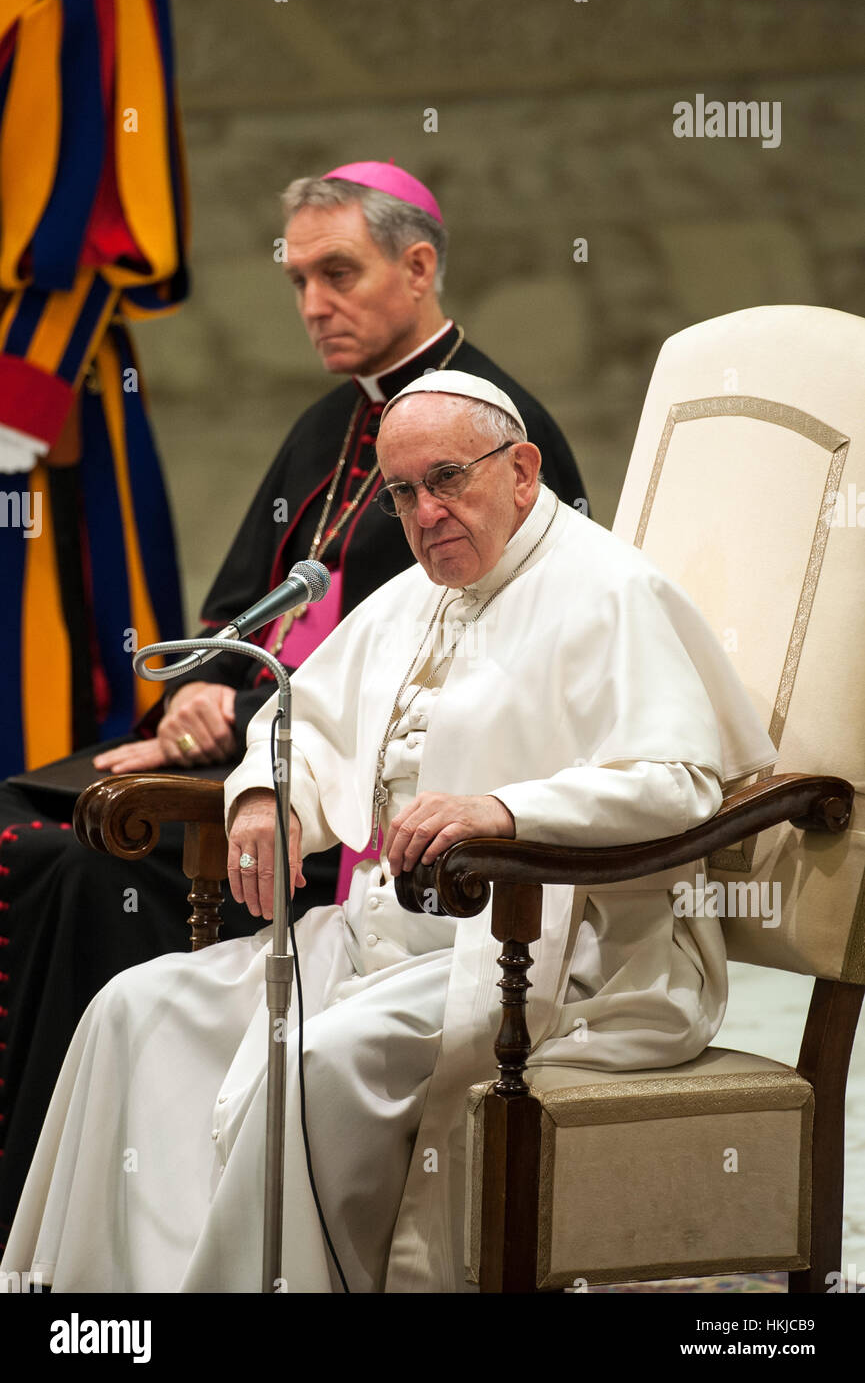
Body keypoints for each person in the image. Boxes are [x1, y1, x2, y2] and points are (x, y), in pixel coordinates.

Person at [1, 372, 775, 1294]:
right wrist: (267, 797)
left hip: (559, 955)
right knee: (135, 1008)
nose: (424, 513)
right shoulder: (415, 593)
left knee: (321, 1061)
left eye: (446, 478)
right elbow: (302, 722)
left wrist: (504, 811)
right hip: (388, 939)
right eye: (402, 493)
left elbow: (677, 783)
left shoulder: (612, 591)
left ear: (522, 470)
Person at [0, 160, 587, 1248]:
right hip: (253, 747)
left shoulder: (493, 433)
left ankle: (118, 1194)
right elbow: (239, 609)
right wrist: (200, 693)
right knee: (18, 820)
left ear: (419, 267)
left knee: (72, 864)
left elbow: (471, 677)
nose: (313, 304)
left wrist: (248, 735)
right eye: (297, 281)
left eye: (338, 273)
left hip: (346, 809)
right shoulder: (328, 423)